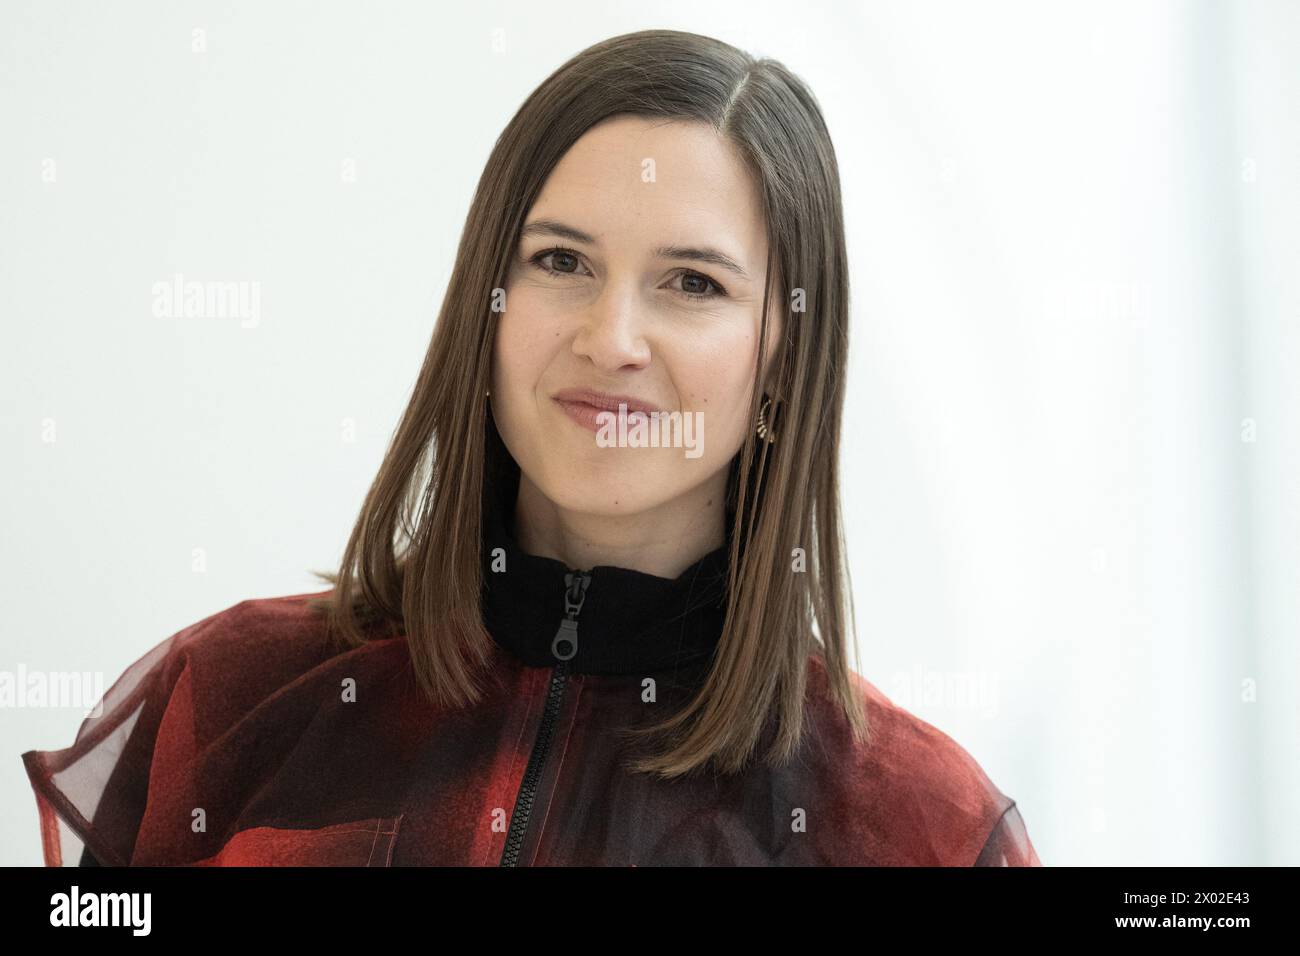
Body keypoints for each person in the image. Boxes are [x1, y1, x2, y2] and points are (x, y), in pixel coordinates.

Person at [22, 28, 1040, 867]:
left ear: (782, 357)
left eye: (693, 283)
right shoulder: (233, 695)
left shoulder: (922, 826)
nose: (611, 338)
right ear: (489, 307)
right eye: (562, 261)